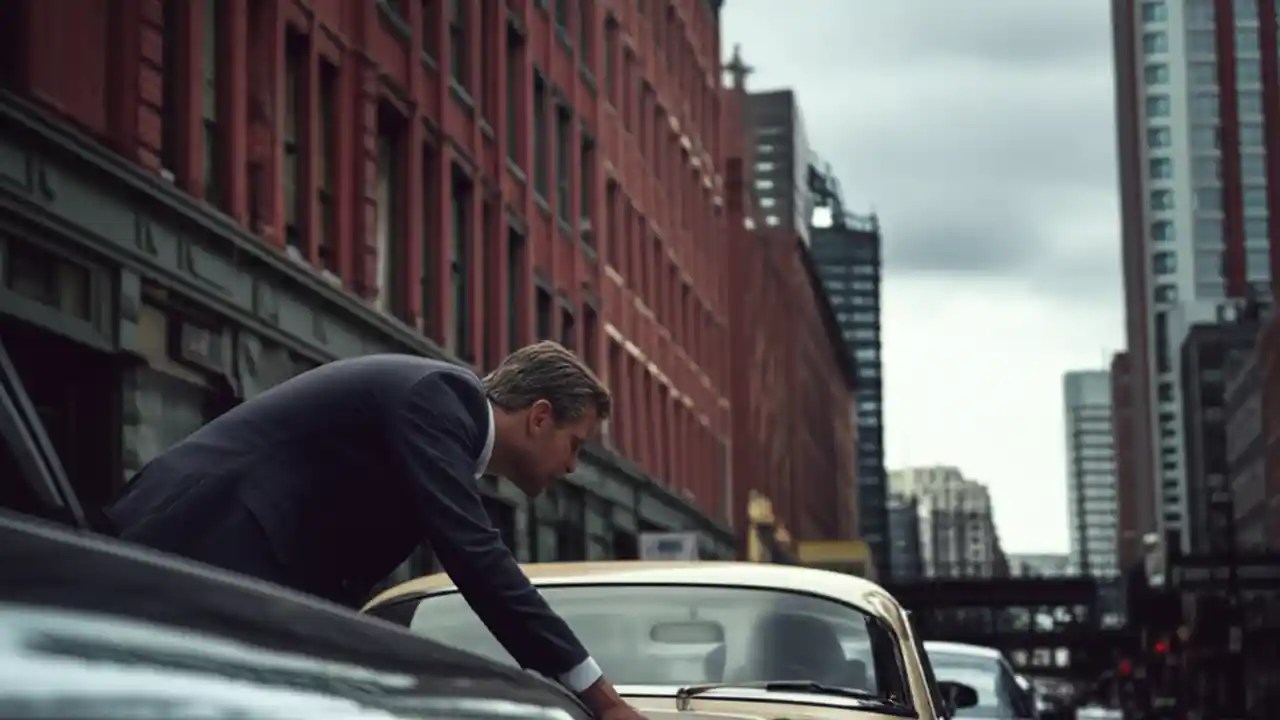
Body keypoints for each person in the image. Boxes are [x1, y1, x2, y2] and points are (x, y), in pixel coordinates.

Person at [104, 341, 646, 720]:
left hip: (231, 572)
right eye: (576, 444)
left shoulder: (446, 428)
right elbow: (478, 561)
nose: (573, 467)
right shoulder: (438, 399)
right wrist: (601, 697)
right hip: (198, 542)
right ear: (540, 417)